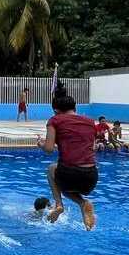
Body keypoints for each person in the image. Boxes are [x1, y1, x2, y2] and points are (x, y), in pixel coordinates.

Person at [37, 83, 98, 231]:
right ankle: (83, 203)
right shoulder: (90, 122)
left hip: (69, 173)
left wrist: (41, 144)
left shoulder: (54, 120)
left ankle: (59, 205)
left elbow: (49, 149)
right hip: (91, 177)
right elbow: (91, 147)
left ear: (56, 110)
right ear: (74, 108)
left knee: (53, 170)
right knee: (67, 185)